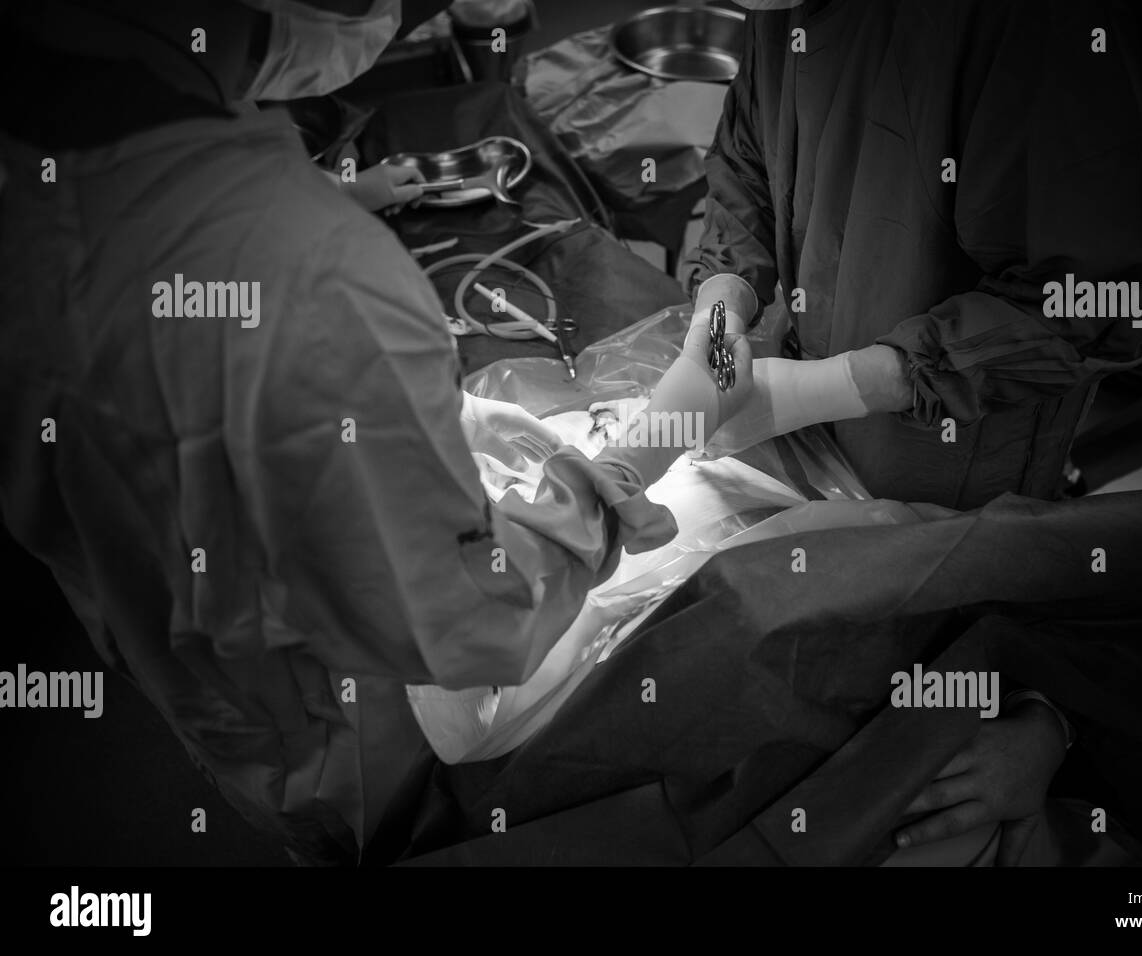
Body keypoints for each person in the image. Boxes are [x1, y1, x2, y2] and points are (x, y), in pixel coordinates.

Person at [0, 0, 751, 864]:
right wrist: (617, 471)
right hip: (334, 716)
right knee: (390, 819)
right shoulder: (302, 267)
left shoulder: (60, 105)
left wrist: (433, 418)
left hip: (181, 644)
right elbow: (475, 629)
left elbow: (151, 385)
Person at [680, 0, 1142, 863]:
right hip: (830, 423)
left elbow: (1084, 305)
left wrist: (836, 384)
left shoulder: (1048, 26)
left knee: (944, 628)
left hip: (965, 430)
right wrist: (723, 302)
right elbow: (750, 158)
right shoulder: (791, 16)